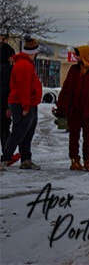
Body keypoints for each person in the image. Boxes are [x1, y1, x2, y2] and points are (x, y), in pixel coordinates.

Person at [56, 45, 89, 172]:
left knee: (88, 135)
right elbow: (66, 89)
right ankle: (74, 160)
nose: (76, 57)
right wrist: (61, 106)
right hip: (74, 108)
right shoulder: (74, 69)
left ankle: (87, 161)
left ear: (85, 54)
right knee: (73, 135)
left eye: (78, 54)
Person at [1, 36, 42, 170]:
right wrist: (25, 107)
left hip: (28, 103)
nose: (36, 54)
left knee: (27, 133)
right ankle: (5, 158)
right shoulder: (24, 65)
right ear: (33, 52)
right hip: (23, 103)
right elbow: (23, 88)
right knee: (19, 132)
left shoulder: (26, 64)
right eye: (36, 52)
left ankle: (26, 159)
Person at [0, 35, 15, 148]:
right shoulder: (10, 71)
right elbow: (11, 89)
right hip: (4, 105)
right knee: (4, 130)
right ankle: (6, 155)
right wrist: (9, 107)